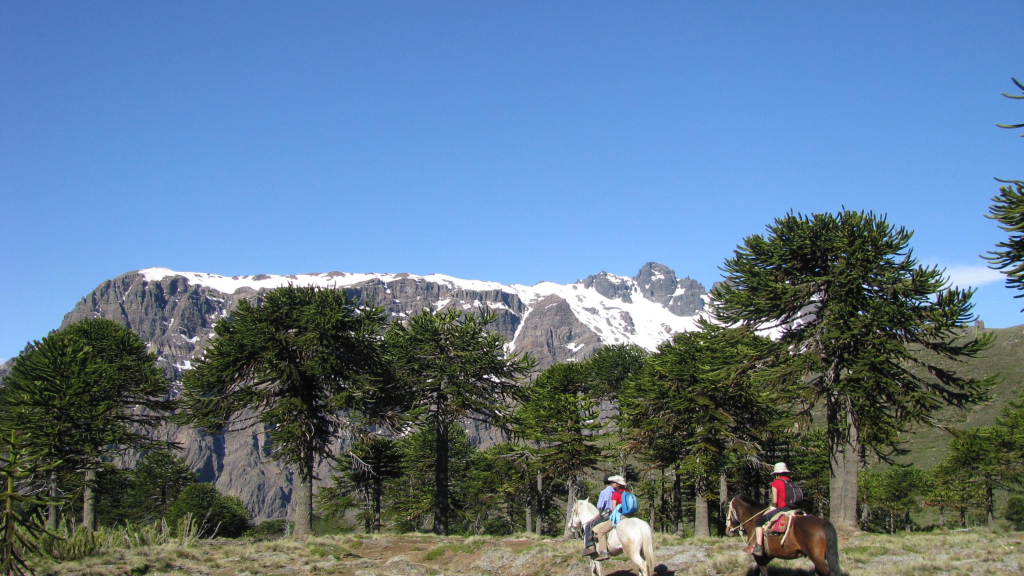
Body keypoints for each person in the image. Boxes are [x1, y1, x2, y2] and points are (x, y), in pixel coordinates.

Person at [744, 462, 794, 556]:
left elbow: (775, 501)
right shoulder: (790, 481)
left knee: (759, 522)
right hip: (794, 508)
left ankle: (759, 546)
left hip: (783, 509)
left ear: (776, 474)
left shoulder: (776, 483)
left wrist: (772, 506)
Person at [592, 475, 631, 561]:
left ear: (617, 484)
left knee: (601, 531)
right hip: (628, 515)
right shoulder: (628, 492)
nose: (612, 484)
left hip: (620, 516)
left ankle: (604, 552)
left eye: (613, 482)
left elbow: (613, 509)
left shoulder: (615, 494)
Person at [582, 475, 617, 556]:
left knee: (588, 526)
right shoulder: (616, 491)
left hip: (606, 515)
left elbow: (600, 506)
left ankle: (590, 546)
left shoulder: (604, 492)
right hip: (617, 513)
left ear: (605, 483)